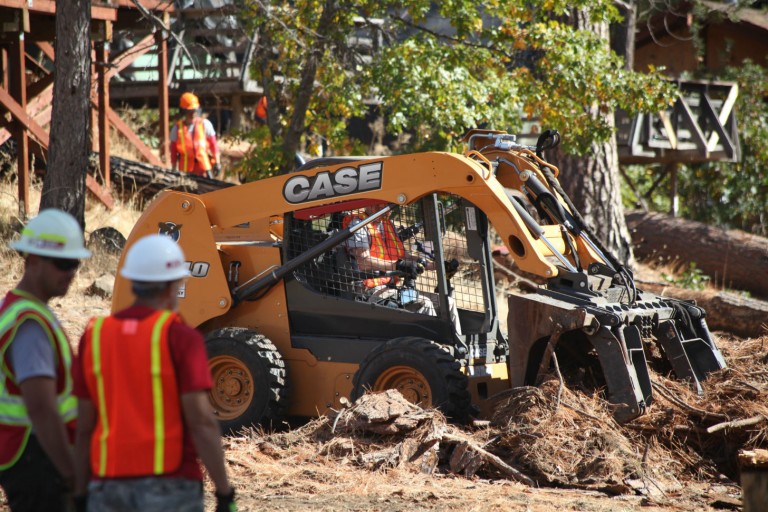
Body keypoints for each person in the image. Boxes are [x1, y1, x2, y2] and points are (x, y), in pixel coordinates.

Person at [72, 234, 237, 512]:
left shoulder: (95, 336)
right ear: (173, 285)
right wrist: (224, 492)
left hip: (107, 485)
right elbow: (202, 422)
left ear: (133, 282)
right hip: (170, 484)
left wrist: (78, 492)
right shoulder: (179, 337)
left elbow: (84, 425)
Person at [0, 209, 92, 511]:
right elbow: (41, 407)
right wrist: (70, 473)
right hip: (38, 458)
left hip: (31, 454)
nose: (71, 273)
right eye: (63, 263)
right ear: (33, 260)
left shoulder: (19, 309)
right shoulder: (30, 323)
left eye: (75, 264)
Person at [343, 202, 437, 315]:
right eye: (382, 204)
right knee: (425, 304)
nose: (388, 209)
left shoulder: (388, 225)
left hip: (391, 286)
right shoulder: (359, 225)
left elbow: (404, 256)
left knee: (447, 302)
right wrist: (398, 265)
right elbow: (363, 262)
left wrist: (433, 265)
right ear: (369, 204)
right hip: (370, 290)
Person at [170, 92, 222, 179]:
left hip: (204, 169)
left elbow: (214, 146)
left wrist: (217, 163)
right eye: (190, 111)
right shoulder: (177, 129)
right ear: (184, 111)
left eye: (195, 111)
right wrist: (173, 170)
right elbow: (173, 153)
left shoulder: (205, 124)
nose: (193, 114)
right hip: (185, 171)